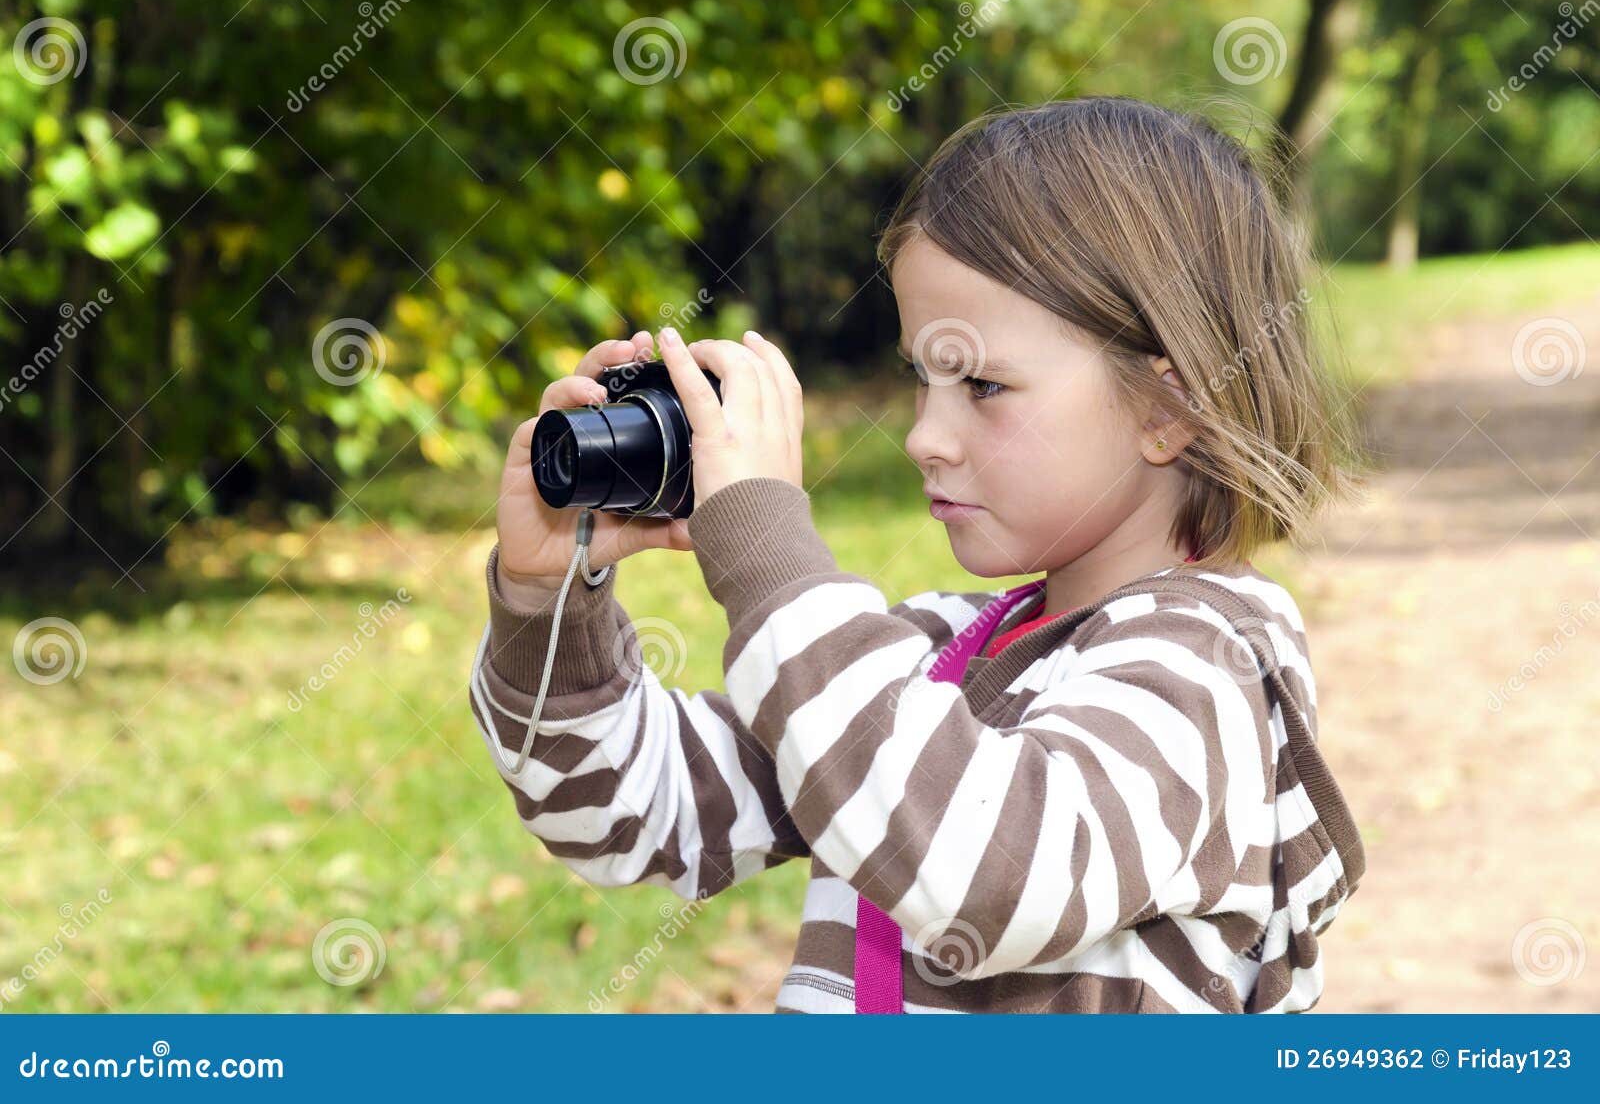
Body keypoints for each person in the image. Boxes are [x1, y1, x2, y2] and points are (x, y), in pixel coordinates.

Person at [469, 96, 1366, 1013]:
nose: (924, 437)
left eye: (983, 384)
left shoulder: (1207, 671)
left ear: (1166, 411)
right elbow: (624, 817)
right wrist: (549, 598)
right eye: (923, 378)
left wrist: (771, 561)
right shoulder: (934, 653)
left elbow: (986, 873)